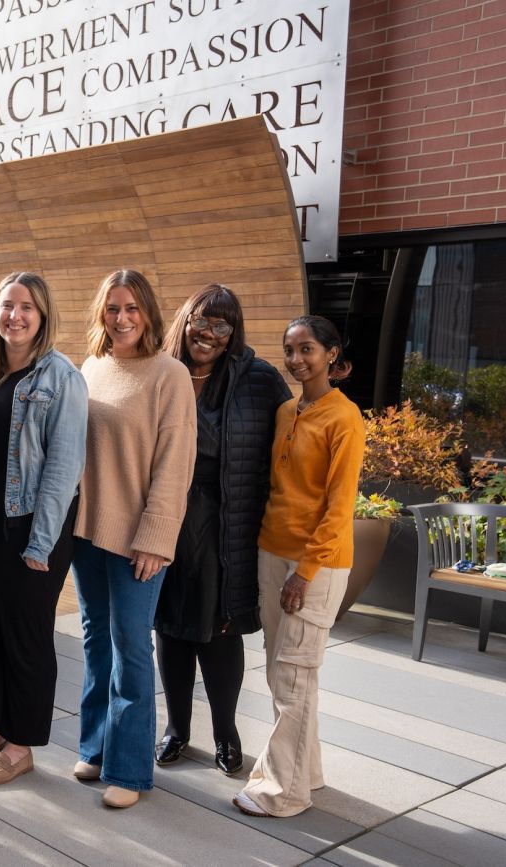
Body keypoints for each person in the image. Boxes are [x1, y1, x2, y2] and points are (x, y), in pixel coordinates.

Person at [0, 271, 86, 786]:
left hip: (29, 526)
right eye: (7, 305)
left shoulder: (61, 377)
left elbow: (63, 469)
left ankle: (22, 743)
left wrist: (41, 542)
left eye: (27, 307)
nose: (15, 316)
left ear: (42, 315)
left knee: (25, 638)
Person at [153, 284, 290, 777]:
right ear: (185, 322)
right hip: (163, 515)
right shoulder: (160, 368)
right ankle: (176, 729)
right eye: (201, 322)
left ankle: (226, 733)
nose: (208, 334)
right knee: (168, 626)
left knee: (219, 629)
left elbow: (287, 447)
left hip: (224, 519)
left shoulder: (258, 378)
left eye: (222, 325)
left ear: (234, 333)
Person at [71, 268, 195, 809]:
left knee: (131, 647)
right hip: (85, 531)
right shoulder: (91, 367)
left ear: (148, 313)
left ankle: (129, 768)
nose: (121, 319)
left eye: (131, 309)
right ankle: (96, 745)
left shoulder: (170, 375)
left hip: (137, 539)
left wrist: (156, 537)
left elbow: (175, 463)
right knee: (96, 640)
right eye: (112, 308)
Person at [234, 315, 364, 819]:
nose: (296, 359)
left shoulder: (344, 417)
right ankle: (303, 773)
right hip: (272, 552)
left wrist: (305, 572)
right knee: (283, 674)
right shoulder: (289, 410)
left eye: (307, 349)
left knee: (294, 676)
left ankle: (281, 793)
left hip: (315, 563)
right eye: (289, 350)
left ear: (331, 354)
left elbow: (338, 506)